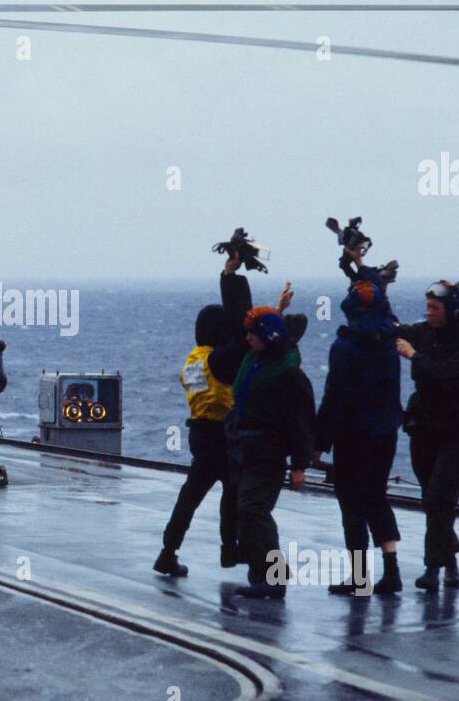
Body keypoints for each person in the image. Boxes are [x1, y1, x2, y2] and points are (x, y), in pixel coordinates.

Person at [155, 254, 292, 575]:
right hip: (226, 437)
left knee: (189, 498)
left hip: (200, 435)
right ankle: (231, 550)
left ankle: (168, 551)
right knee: (234, 497)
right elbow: (246, 343)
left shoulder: (193, 360)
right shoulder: (219, 360)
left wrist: (276, 310)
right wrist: (275, 312)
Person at [395, 280, 459, 592]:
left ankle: (433, 568)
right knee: (433, 499)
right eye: (428, 308)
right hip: (424, 426)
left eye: (435, 308)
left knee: (439, 496)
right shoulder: (424, 333)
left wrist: (414, 356)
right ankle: (450, 558)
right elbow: (390, 327)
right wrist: (368, 281)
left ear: (452, 311)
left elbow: (449, 376)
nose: (429, 313)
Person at [315, 262, 404, 595]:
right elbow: (382, 309)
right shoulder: (391, 340)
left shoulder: (344, 348)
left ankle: (359, 575)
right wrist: (367, 273)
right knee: (376, 496)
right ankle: (392, 570)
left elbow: (334, 398)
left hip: (352, 434)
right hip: (385, 431)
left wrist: (319, 442)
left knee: (351, 501)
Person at [227, 304, 316, 599]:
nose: (248, 338)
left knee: (252, 510)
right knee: (248, 512)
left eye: (253, 333)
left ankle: (273, 577)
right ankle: (263, 575)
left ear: (268, 336)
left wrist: (299, 464)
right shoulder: (256, 358)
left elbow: (299, 420)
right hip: (246, 448)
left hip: (268, 450)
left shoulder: (287, 373)